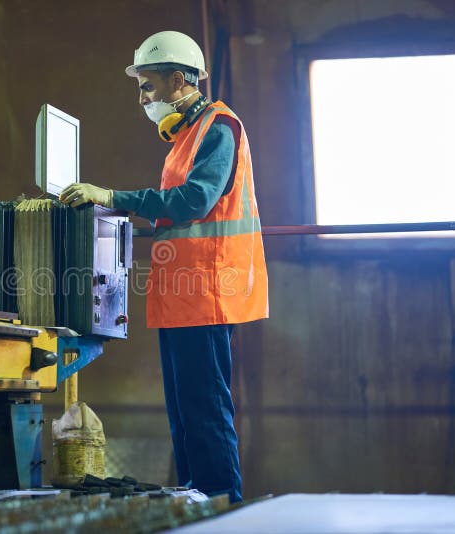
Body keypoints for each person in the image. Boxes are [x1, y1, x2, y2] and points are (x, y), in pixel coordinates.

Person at [59, 30, 268, 503]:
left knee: (205, 411)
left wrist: (114, 196)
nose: (142, 99)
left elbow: (195, 200)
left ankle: (221, 506)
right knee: (185, 416)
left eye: (147, 86)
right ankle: (196, 504)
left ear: (178, 80)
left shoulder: (219, 127)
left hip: (207, 292)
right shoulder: (186, 137)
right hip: (181, 296)